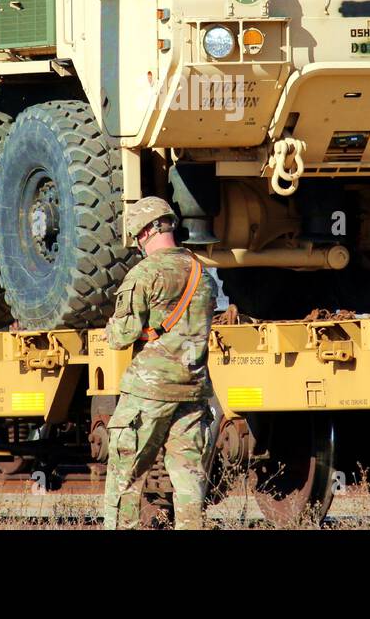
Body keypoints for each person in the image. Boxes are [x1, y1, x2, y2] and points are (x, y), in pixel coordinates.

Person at [103, 196, 217, 530]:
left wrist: (110, 328)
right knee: (189, 482)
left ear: (150, 229)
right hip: (193, 391)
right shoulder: (202, 273)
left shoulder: (144, 274)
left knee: (126, 478)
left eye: (138, 234)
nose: (138, 242)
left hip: (148, 393)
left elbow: (121, 336)